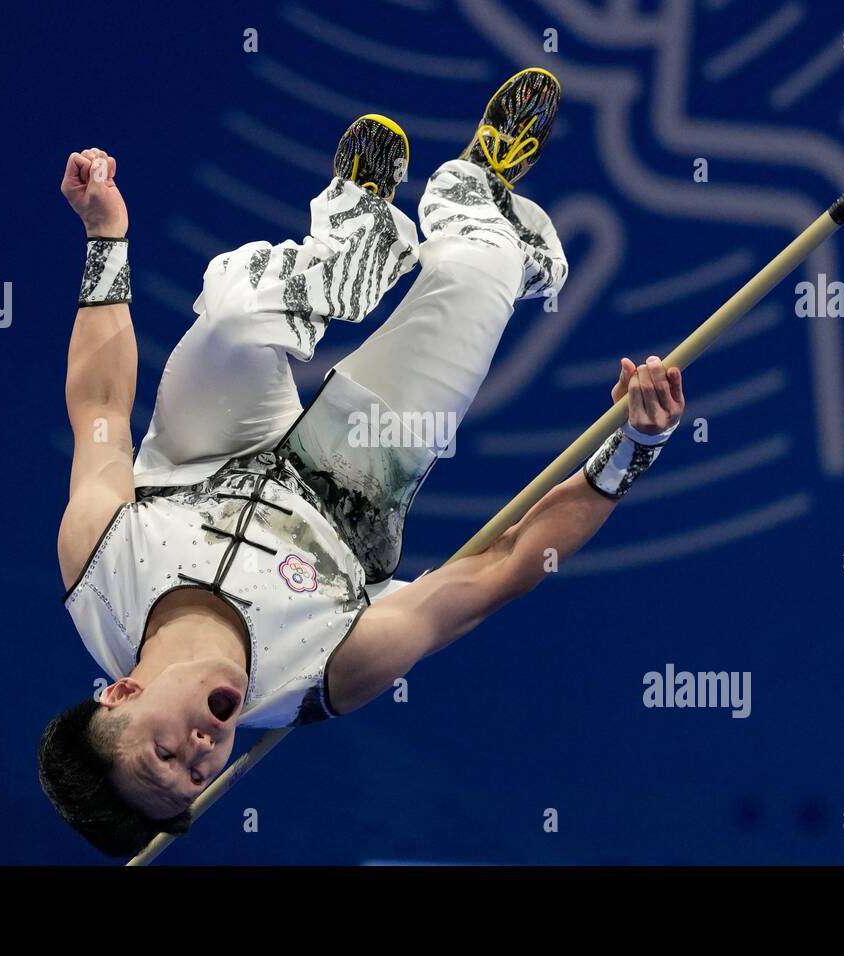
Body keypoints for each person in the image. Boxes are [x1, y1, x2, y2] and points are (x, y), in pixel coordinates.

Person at [38, 69, 686, 856]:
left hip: (205, 450)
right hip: (352, 490)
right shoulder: (326, 673)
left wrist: (105, 235)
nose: (201, 754)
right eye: (194, 778)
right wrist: (634, 451)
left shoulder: (99, 566)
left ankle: (351, 241)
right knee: (480, 276)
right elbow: (496, 574)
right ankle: (479, 196)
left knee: (240, 318)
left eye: (164, 753)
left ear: (123, 693)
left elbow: (101, 407)